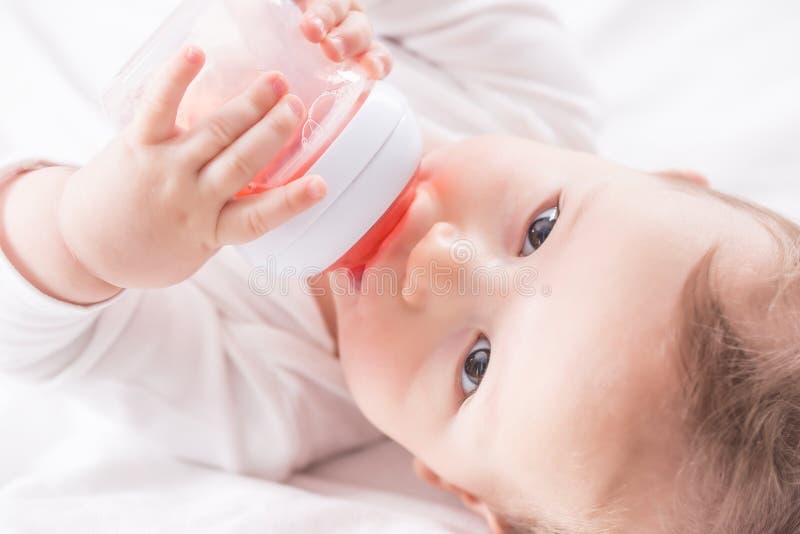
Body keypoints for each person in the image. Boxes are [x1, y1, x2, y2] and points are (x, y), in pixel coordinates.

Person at [3, 1, 797, 533]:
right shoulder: (529, 98)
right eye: (539, 229)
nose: (433, 255)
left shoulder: (266, 401)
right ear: (656, 177)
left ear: (456, 485)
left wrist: (89, 238)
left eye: (476, 366)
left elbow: (34, 330)